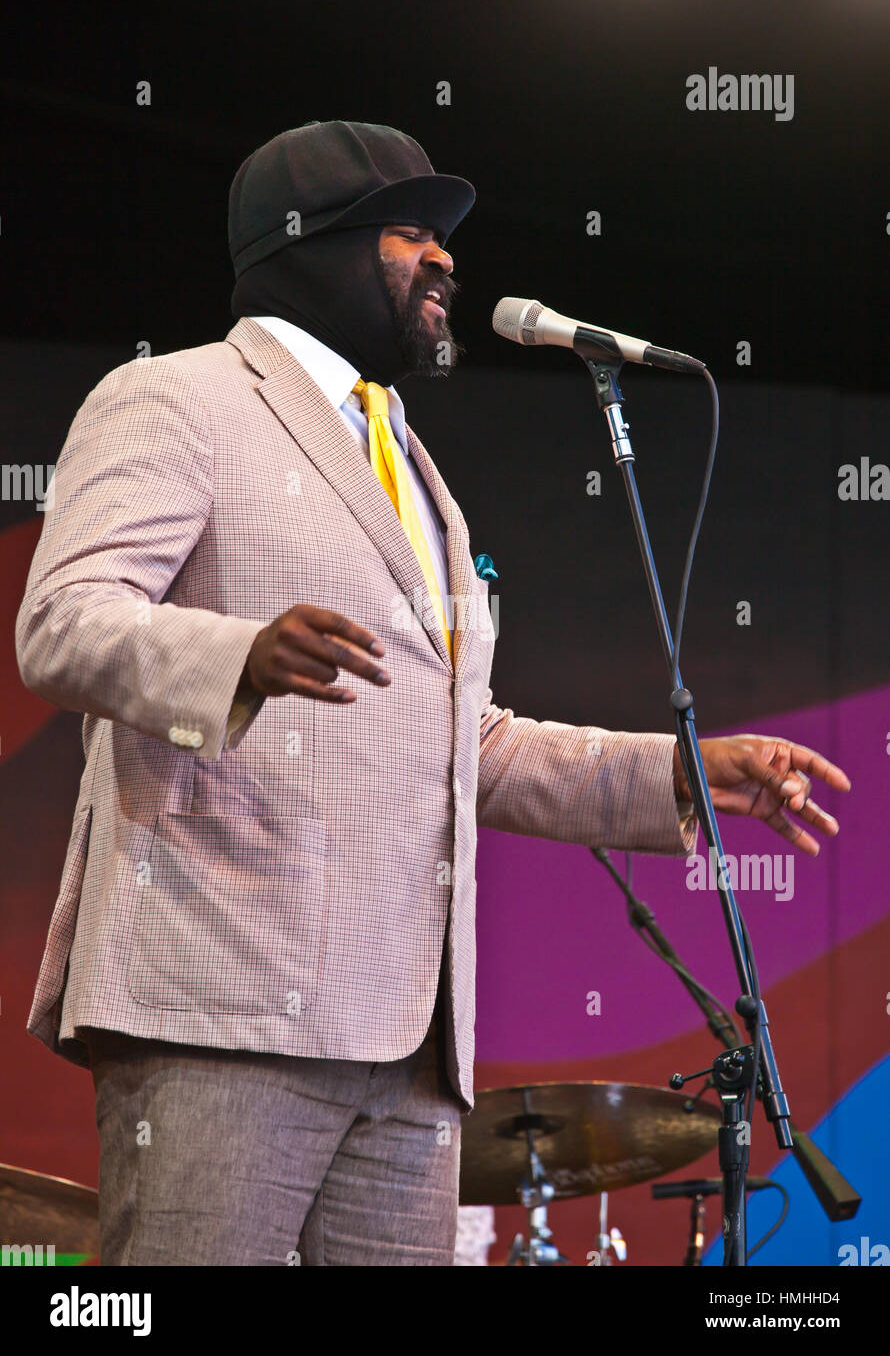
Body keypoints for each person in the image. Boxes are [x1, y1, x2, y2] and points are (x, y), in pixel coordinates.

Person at [15, 120, 851, 1266]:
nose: (446, 259)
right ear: (307, 245)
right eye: (410, 232)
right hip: (223, 1017)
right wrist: (237, 654)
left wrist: (675, 773)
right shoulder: (177, 399)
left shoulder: (407, 458)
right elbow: (62, 622)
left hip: (411, 1050)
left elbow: (473, 740)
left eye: (444, 236)